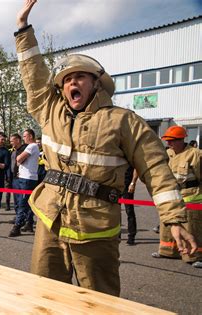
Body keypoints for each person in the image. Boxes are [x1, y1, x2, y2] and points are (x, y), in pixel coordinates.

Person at [15, 0, 196, 296]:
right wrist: (23, 28)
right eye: (67, 80)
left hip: (96, 230)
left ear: (97, 84)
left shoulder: (124, 121)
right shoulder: (49, 111)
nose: (72, 82)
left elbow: (156, 171)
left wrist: (173, 219)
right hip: (51, 221)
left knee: (101, 302)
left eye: (80, 77)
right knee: (44, 296)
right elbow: (33, 74)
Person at [152, 126, 202, 268]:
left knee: (192, 228)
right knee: (167, 225)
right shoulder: (167, 154)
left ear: (182, 139)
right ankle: (168, 251)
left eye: (172, 141)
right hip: (172, 197)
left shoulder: (195, 154)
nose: (169, 144)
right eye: (167, 141)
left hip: (192, 197)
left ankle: (195, 255)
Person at [9, 129, 39, 237]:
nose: (24, 138)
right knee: (26, 202)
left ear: (30, 136)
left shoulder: (31, 146)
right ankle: (29, 223)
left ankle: (17, 226)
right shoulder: (31, 147)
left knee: (22, 203)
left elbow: (19, 158)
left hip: (27, 178)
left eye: (25, 136)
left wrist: (19, 159)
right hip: (25, 178)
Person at [7, 133, 27, 223]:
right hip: (13, 178)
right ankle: (18, 216)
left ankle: (23, 218)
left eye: (12, 141)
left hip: (21, 178)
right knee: (15, 199)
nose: (11, 143)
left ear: (18, 140)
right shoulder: (13, 151)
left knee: (21, 199)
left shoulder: (25, 149)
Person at [123, 166, 139, 245]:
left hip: (127, 185)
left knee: (129, 211)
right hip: (116, 185)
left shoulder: (129, 154)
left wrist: (133, 183)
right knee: (115, 210)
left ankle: (131, 237)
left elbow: (137, 167)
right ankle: (117, 236)